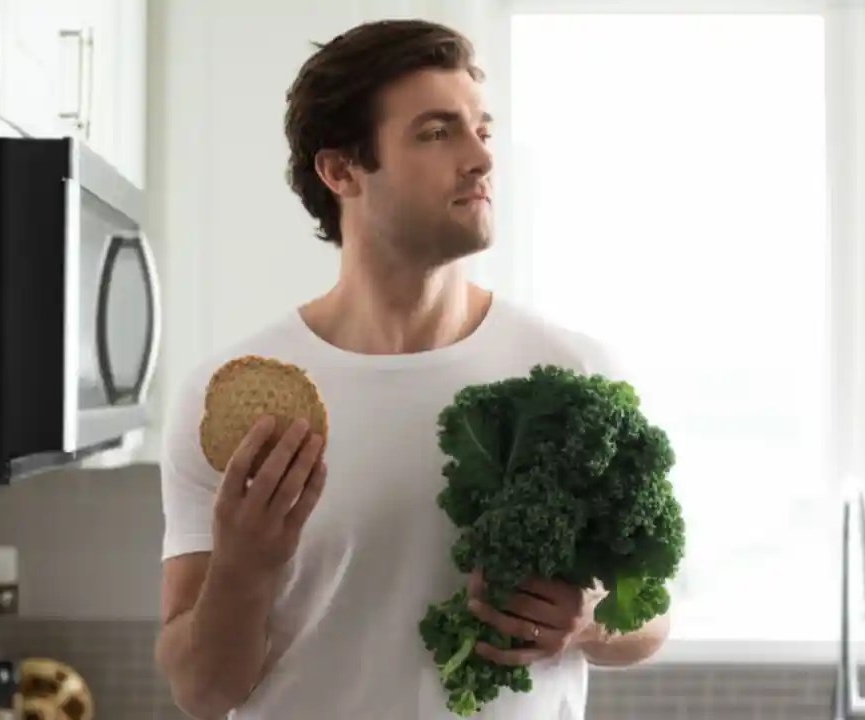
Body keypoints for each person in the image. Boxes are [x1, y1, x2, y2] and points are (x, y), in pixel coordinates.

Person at [153, 18, 670, 720]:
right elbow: (203, 693)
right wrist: (244, 568)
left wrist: (589, 623)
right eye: (436, 133)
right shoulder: (232, 402)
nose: (481, 158)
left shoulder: (570, 375)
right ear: (340, 171)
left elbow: (654, 620)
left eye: (482, 130)